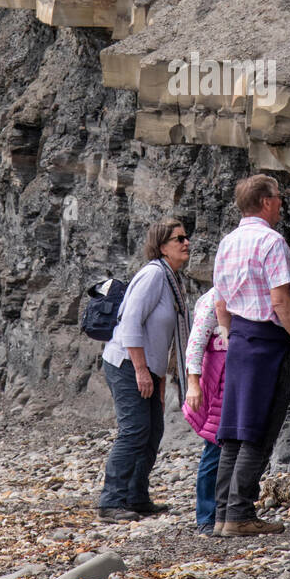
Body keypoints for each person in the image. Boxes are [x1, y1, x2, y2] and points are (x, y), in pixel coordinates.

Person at [212, 174, 290, 537]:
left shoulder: (228, 242)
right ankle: (240, 515)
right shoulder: (272, 242)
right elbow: (280, 301)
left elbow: (221, 303)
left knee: (234, 432)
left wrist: (232, 335)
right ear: (264, 202)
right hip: (267, 342)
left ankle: (222, 515)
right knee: (257, 431)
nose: (281, 203)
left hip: (240, 339)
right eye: (277, 197)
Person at [98, 218, 191, 523]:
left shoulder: (172, 280)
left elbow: (162, 338)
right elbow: (130, 325)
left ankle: (136, 498)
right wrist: (141, 370)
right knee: (135, 430)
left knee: (153, 431)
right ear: (163, 247)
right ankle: (111, 502)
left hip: (147, 367)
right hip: (126, 363)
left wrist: (160, 379)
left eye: (185, 237)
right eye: (179, 239)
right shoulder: (153, 275)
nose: (186, 243)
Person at [182, 286, 228, 534]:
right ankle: (207, 518)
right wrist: (193, 385)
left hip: (230, 380)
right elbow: (196, 342)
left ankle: (224, 513)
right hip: (216, 382)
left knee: (226, 448)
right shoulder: (214, 297)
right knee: (215, 447)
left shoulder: (243, 293)